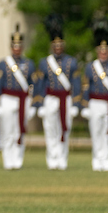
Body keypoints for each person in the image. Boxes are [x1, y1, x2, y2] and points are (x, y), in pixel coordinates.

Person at [32, 13, 78, 171]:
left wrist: (76, 103)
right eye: (55, 45)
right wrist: (39, 103)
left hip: (66, 99)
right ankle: (52, 159)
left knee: (65, 129)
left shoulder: (71, 62)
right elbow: (39, 84)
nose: (58, 48)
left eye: (60, 45)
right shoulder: (44, 63)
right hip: (51, 98)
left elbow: (76, 83)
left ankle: (62, 159)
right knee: (50, 130)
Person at [77, 17, 108, 172]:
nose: (103, 53)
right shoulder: (90, 67)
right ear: (97, 51)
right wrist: (85, 104)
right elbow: (86, 86)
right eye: (101, 50)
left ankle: (107, 160)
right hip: (95, 102)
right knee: (96, 132)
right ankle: (97, 159)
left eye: (106, 50)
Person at [0, 25, 35, 170]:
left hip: (22, 100)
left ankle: (17, 159)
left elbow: (32, 84)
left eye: (19, 46)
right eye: (14, 46)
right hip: (8, 98)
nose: (17, 48)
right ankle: (7, 159)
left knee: (19, 131)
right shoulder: (4, 64)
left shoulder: (29, 64)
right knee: (7, 130)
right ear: (11, 47)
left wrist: (32, 104)